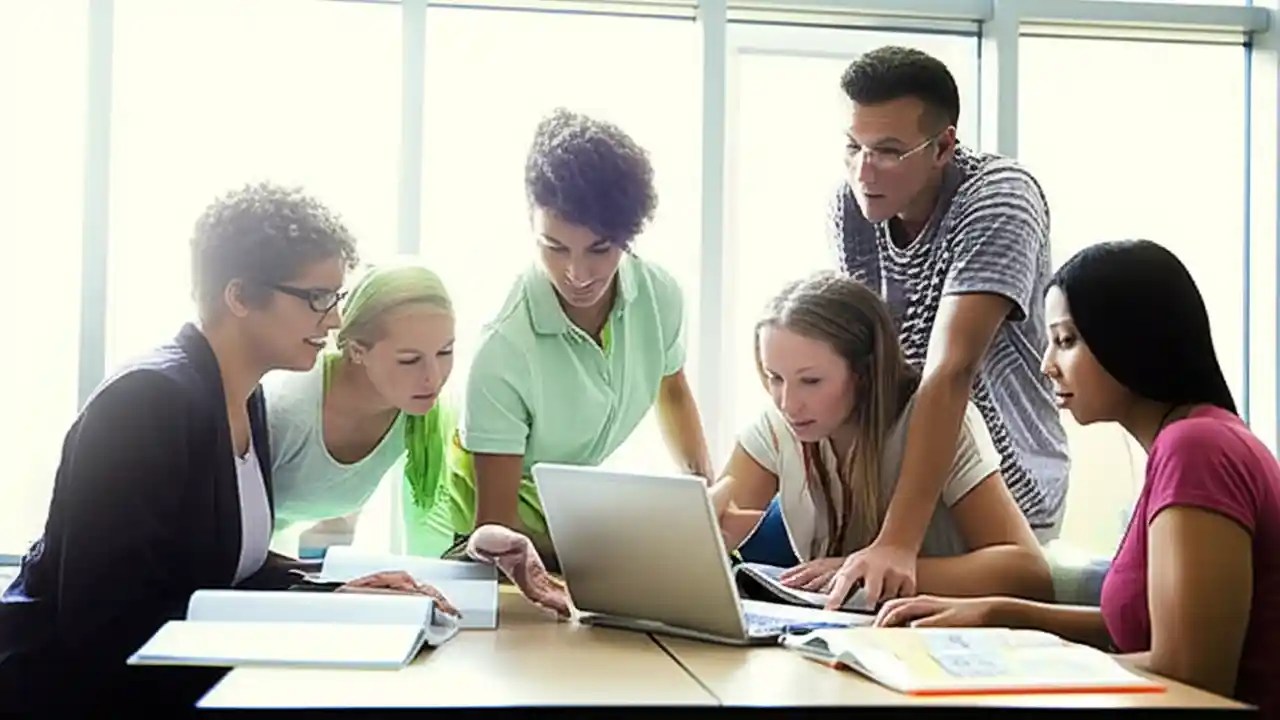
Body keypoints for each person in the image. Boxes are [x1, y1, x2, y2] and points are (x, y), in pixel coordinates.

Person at [0, 183, 455, 711]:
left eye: (336, 299)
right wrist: (309, 619)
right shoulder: (147, 402)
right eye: (315, 298)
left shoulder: (242, 399)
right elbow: (108, 621)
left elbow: (224, 572)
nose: (332, 320)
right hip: (68, 694)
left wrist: (337, 594)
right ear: (238, 296)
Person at [876, 240, 1280, 717]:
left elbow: (1191, 674)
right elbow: (1146, 632)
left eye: (1066, 341)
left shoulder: (1196, 450)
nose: (1048, 364)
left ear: (1130, 340)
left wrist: (1021, 665)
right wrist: (1003, 615)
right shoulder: (1196, 440)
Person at [742, 45, 1070, 602]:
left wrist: (895, 542)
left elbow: (949, 372)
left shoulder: (998, 197)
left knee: (821, 576)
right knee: (753, 565)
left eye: (889, 152)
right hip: (886, 484)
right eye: (853, 147)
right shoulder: (851, 205)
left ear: (943, 146)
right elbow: (859, 349)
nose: (863, 171)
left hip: (995, 484)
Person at [424, 108, 714, 567]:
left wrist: (704, 507)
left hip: (561, 517)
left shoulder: (660, 297)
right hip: (474, 539)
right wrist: (616, 558)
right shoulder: (503, 348)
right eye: (554, 247)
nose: (577, 274)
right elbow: (495, 532)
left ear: (628, 233)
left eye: (600, 248)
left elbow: (672, 388)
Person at [712, 272, 1052, 608]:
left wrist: (883, 571)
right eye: (774, 378)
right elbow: (714, 528)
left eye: (811, 381)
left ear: (864, 373)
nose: (788, 403)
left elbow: (1030, 576)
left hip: (937, 640)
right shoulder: (775, 428)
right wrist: (706, 537)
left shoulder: (939, 425)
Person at [264, 261, 458, 557]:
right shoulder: (284, 411)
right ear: (357, 351)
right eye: (409, 360)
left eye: (445, 352)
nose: (434, 377)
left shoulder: (419, 417)